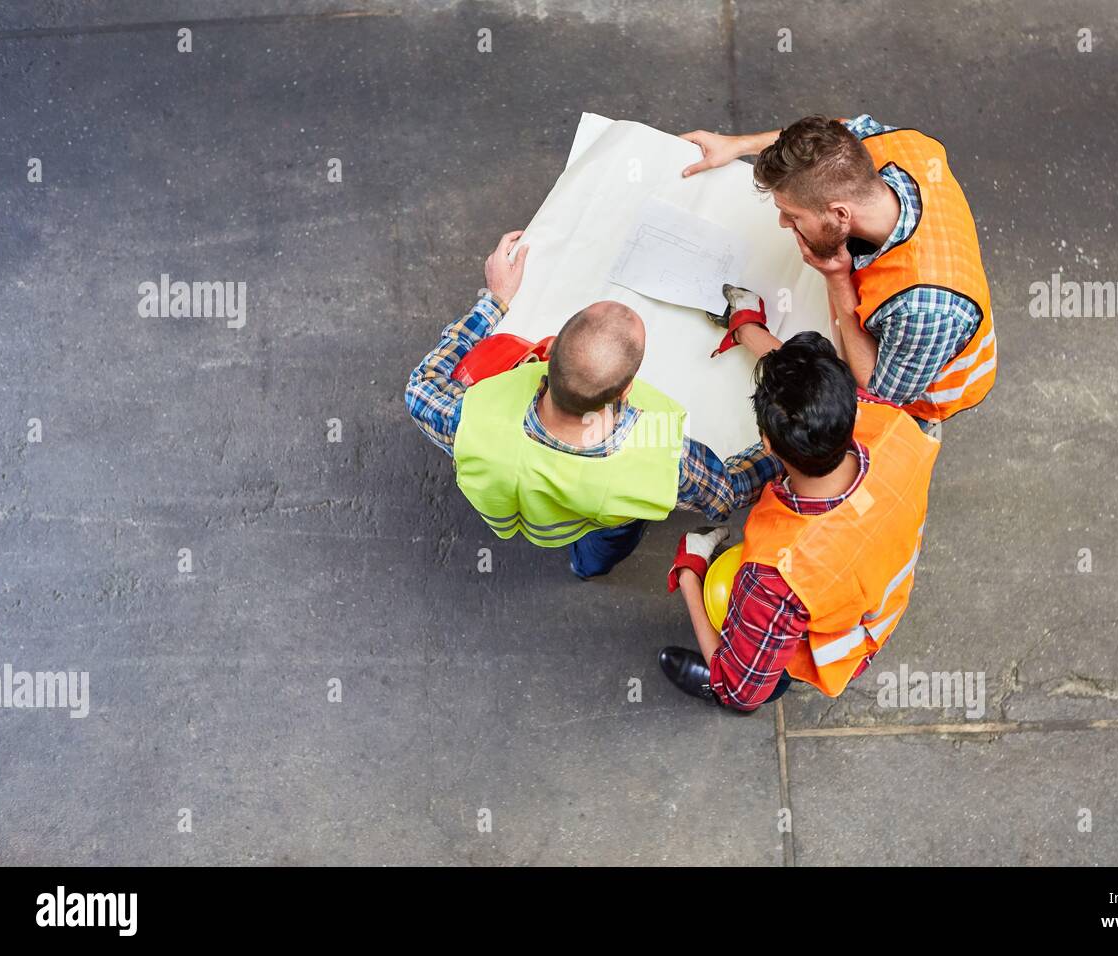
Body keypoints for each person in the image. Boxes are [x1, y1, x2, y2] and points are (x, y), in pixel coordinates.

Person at [405, 230, 782, 579]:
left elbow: (421, 386)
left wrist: (495, 300)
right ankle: (585, 567)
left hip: (516, 513)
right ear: (627, 390)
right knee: (602, 547)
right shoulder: (664, 454)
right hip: (603, 521)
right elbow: (727, 492)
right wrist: (786, 442)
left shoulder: (468, 419)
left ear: (548, 351)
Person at [661, 329, 940, 711]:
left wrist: (691, 570)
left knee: (745, 682)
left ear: (768, 445)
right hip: (878, 596)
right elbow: (827, 394)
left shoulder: (775, 578)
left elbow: (742, 692)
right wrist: (751, 333)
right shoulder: (894, 427)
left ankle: (745, 674)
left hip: (832, 647)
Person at [681, 114, 995, 425]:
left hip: (922, 393)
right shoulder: (902, 146)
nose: (783, 223)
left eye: (793, 216)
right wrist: (738, 145)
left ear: (840, 214)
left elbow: (875, 395)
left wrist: (837, 279)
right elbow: (831, 139)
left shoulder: (924, 308)